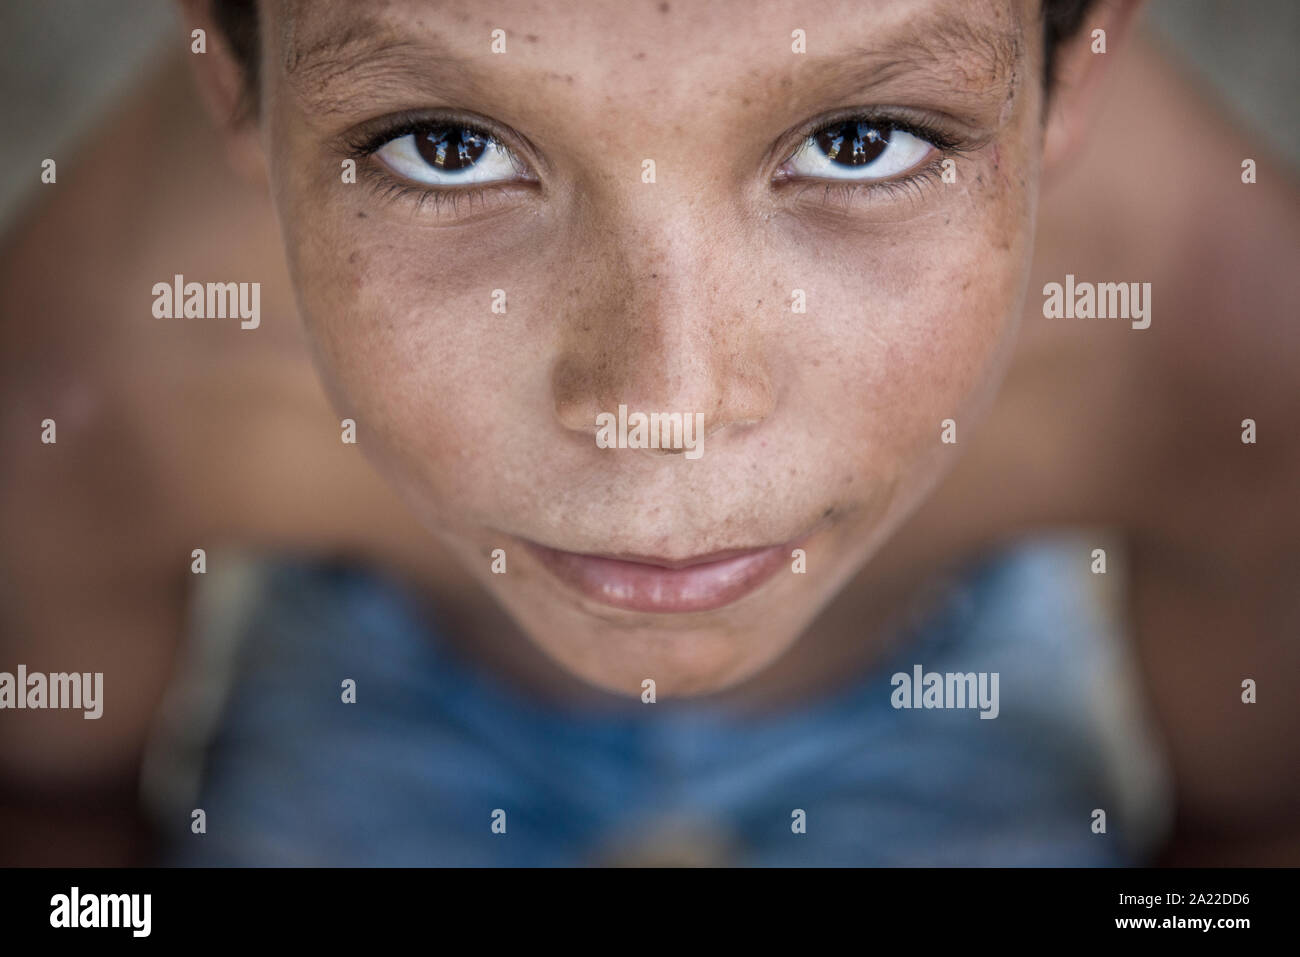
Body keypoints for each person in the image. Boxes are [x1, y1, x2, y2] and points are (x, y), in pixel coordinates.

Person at [0, 0, 1295, 865]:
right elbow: (57, 822)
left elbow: (1247, 837)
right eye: (445, 148)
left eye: (860, 141)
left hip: (931, 657)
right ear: (235, 77)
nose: (658, 412)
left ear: (1074, 67)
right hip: (389, 655)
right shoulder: (96, 374)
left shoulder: (1225, 354)